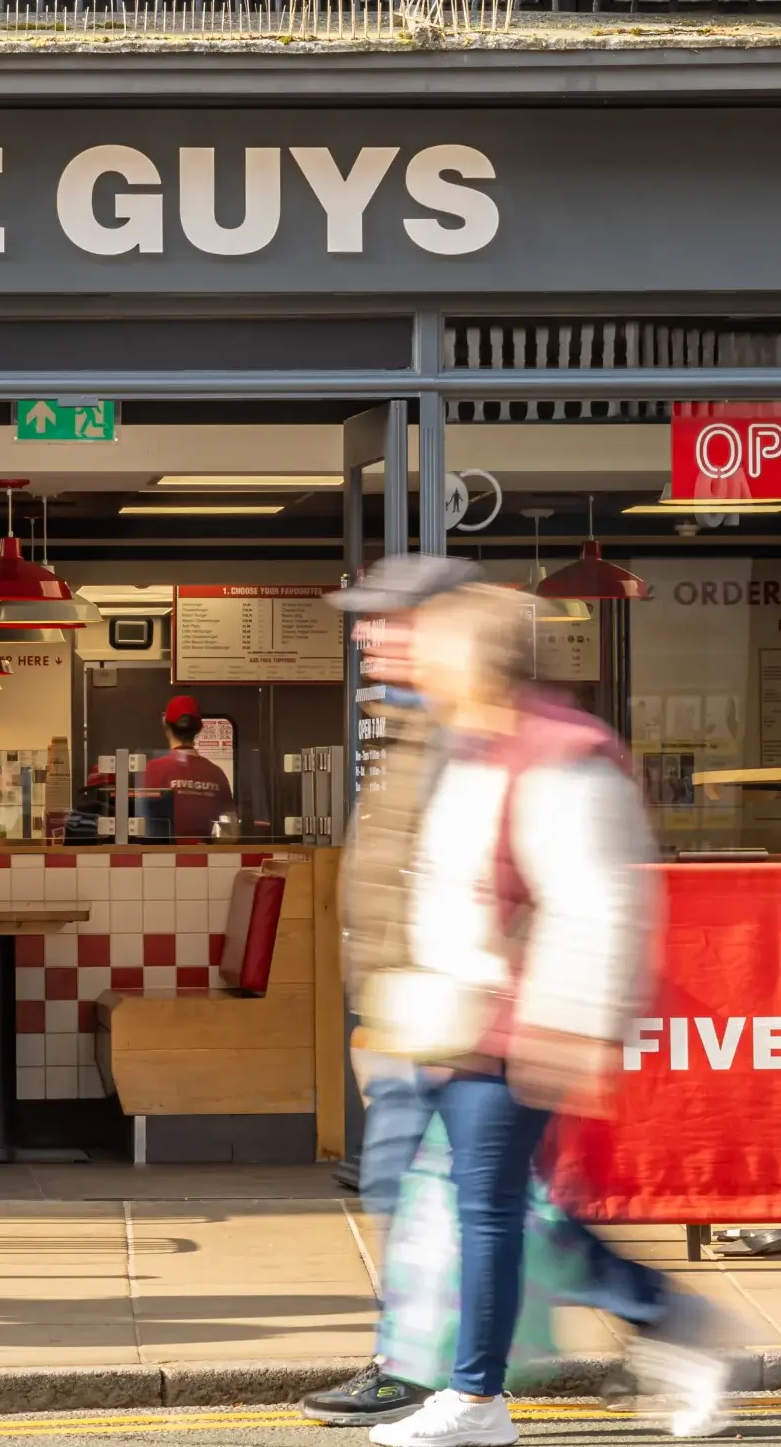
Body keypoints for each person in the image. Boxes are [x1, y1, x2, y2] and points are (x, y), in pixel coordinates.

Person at [364, 583, 728, 1447]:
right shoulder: (479, 745)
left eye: (436, 648)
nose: (416, 662)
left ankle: (478, 1400)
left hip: (519, 1025)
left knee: (489, 1210)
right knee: (511, 1212)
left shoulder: (561, 757)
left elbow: (598, 901)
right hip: (460, 1021)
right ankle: (668, 1322)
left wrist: (570, 1027)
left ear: (479, 660)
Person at [300, 553, 482, 1425]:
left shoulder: (467, 731)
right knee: (430, 1196)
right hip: (411, 1013)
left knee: (428, 1196)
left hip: (449, 1017)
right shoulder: (414, 723)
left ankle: (420, 1370)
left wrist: (427, 1013)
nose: (366, 634)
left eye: (385, 620)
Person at [140, 694, 233, 840]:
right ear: (200, 728)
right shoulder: (216, 774)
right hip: (204, 853)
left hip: (160, 853)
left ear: (165, 722)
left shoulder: (151, 770)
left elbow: (139, 824)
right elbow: (231, 832)